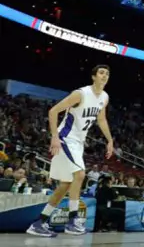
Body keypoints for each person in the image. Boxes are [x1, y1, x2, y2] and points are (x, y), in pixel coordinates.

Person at [27, 65, 115, 237]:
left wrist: (110, 140)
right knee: (80, 175)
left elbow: (102, 119)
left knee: (66, 184)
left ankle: (39, 223)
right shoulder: (80, 94)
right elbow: (53, 111)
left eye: (107, 74)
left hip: (78, 142)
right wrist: (54, 136)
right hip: (65, 139)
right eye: (101, 73)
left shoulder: (104, 97)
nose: (105, 76)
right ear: (93, 76)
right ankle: (73, 221)